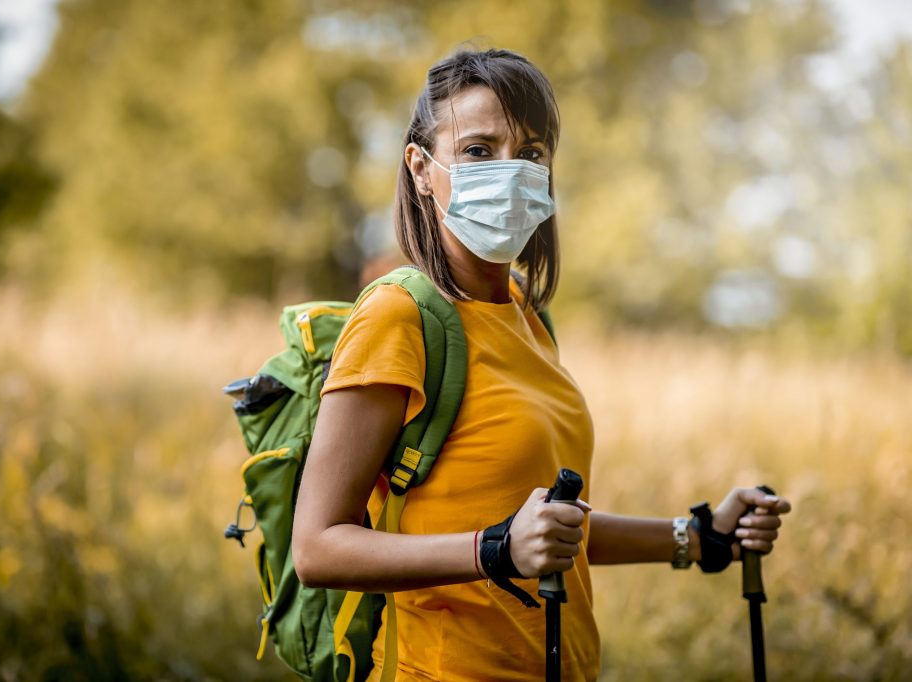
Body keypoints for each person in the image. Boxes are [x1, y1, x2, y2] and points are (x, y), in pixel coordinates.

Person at [291, 48, 791, 682]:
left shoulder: (526, 313)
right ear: (420, 168)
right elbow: (317, 549)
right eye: (478, 150)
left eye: (530, 152)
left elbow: (549, 532)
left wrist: (699, 537)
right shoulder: (397, 317)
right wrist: (493, 549)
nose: (509, 170)